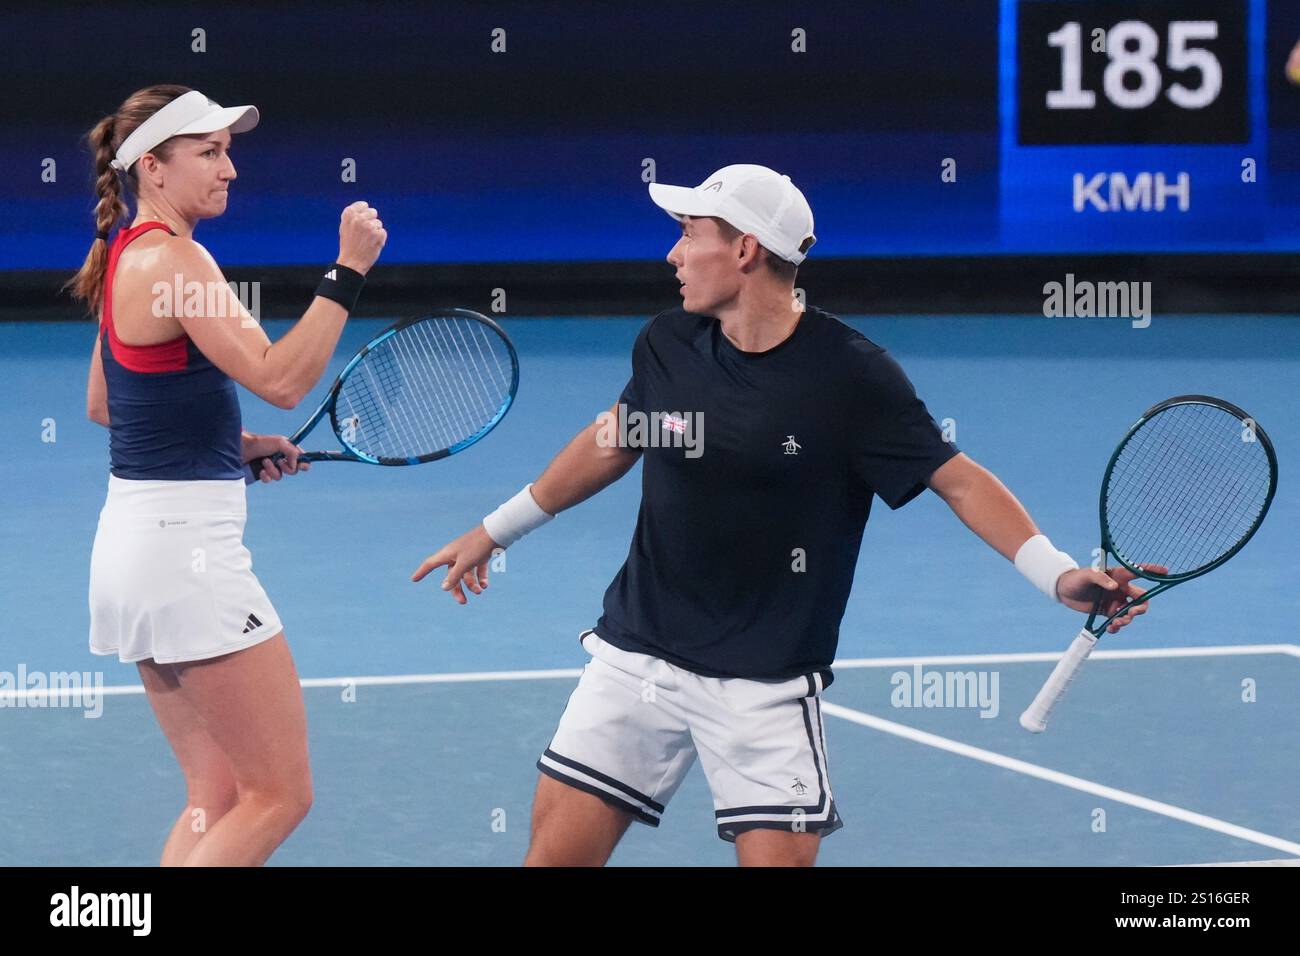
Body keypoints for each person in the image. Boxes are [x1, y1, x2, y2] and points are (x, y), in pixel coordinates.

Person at [412, 164, 1155, 867]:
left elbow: (958, 481)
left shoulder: (852, 376)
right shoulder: (668, 343)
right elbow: (613, 442)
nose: (672, 254)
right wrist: (492, 531)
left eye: (689, 234)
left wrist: (1057, 575)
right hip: (638, 656)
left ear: (743, 249)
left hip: (763, 685)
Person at [69, 84, 386, 865]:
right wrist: (347, 271)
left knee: (215, 802)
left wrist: (230, 445)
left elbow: (107, 403)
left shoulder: (123, 255)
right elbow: (281, 377)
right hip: (186, 561)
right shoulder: (177, 259)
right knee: (281, 795)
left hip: (131, 549)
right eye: (208, 152)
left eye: (228, 150)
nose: (230, 169)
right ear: (154, 168)